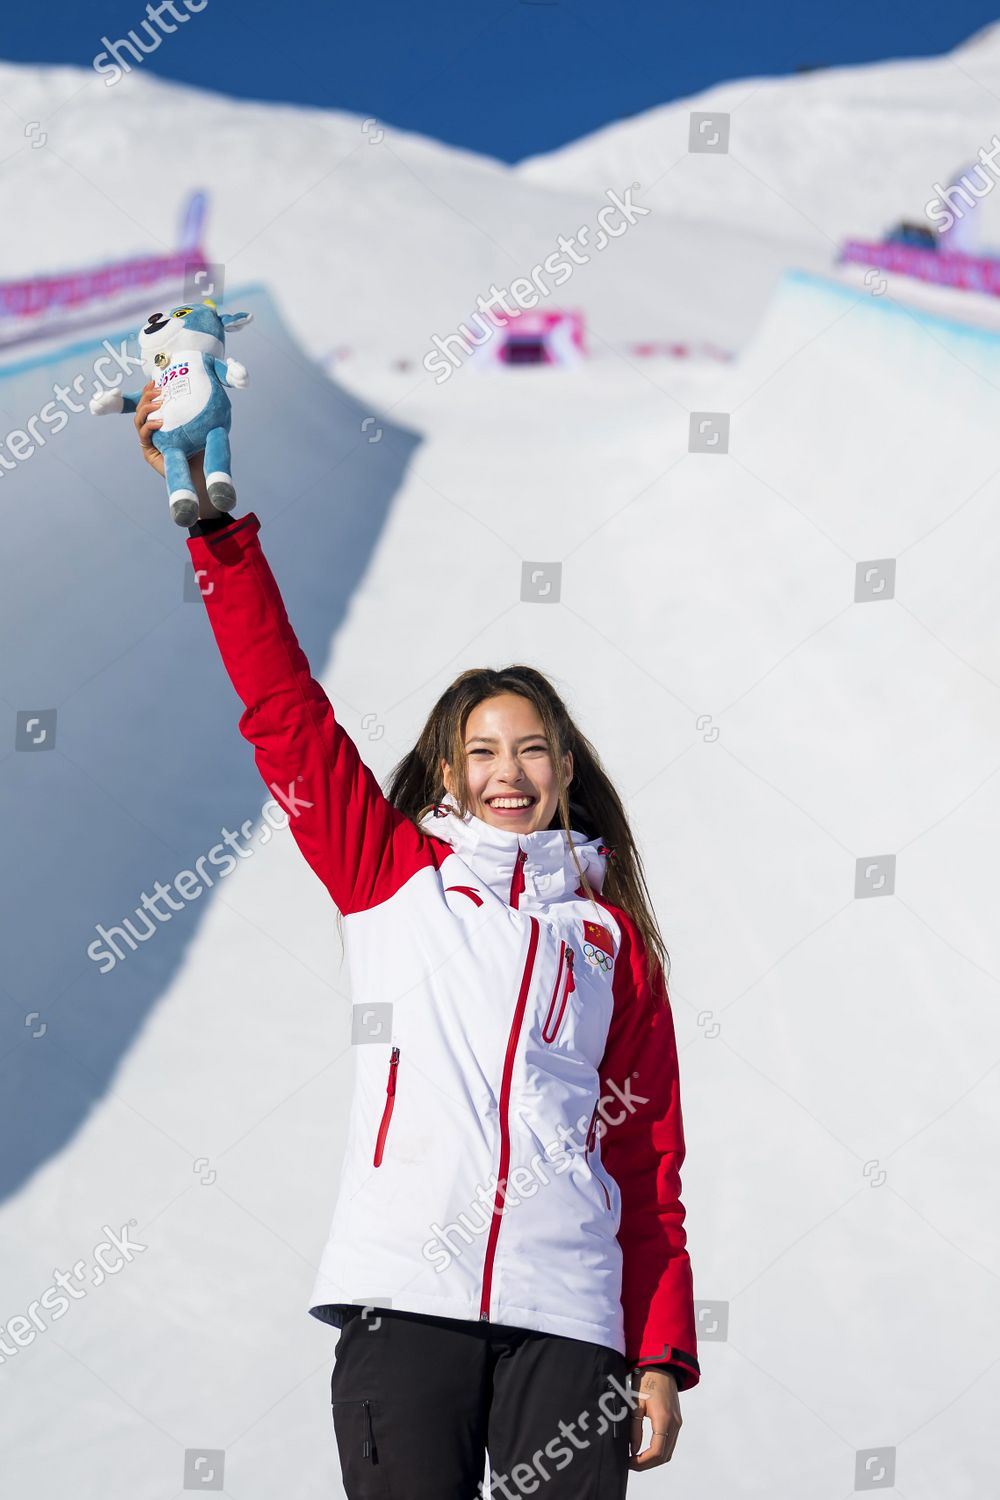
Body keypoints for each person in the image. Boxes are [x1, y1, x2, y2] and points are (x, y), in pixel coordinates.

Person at [135, 382, 700, 1497]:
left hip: (569, 1312)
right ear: (447, 773)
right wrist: (219, 537)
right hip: (407, 1302)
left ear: (565, 770)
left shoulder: (610, 944)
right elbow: (284, 713)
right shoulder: (389, 874)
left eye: (531, 750)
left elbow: (646, 1159)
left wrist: (659, 1349)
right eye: (481, 753)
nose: (508, 774)